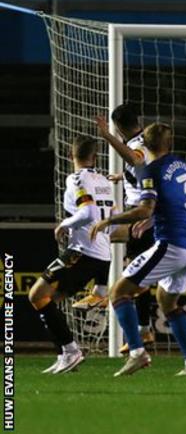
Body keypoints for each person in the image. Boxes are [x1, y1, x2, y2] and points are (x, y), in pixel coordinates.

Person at [90, 123, 186, 377]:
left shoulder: (150, 170)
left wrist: (109, 220)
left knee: (119, 292)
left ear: (146, 145)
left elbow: (144, 209)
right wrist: (152, 219)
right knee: (167, 301)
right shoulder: (180, 164)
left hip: (172, 244)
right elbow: (179, 200)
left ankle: (137, 353)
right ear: (168, 143)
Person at [29, 136, 113, 374]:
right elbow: (111, 222)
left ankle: (71, 351)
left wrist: (64, 224)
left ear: (70, 155)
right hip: (101, 255)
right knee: (50, 303)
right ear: (95, 157)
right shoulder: (104, 181)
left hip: (82, 252)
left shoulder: (76, 178)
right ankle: (65, 354)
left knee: (36, 295)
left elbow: (88, 213)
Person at [88, 104, 157, 354]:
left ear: (117, 127)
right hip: (143, 211)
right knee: (135, 272)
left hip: (141, 214)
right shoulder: (144, 140)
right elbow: (139, 166)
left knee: (100, 235)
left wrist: (106, 136)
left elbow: (135, 158)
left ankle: (99, 291)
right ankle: (143, 330)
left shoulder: (137, 145)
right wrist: (122, 176)